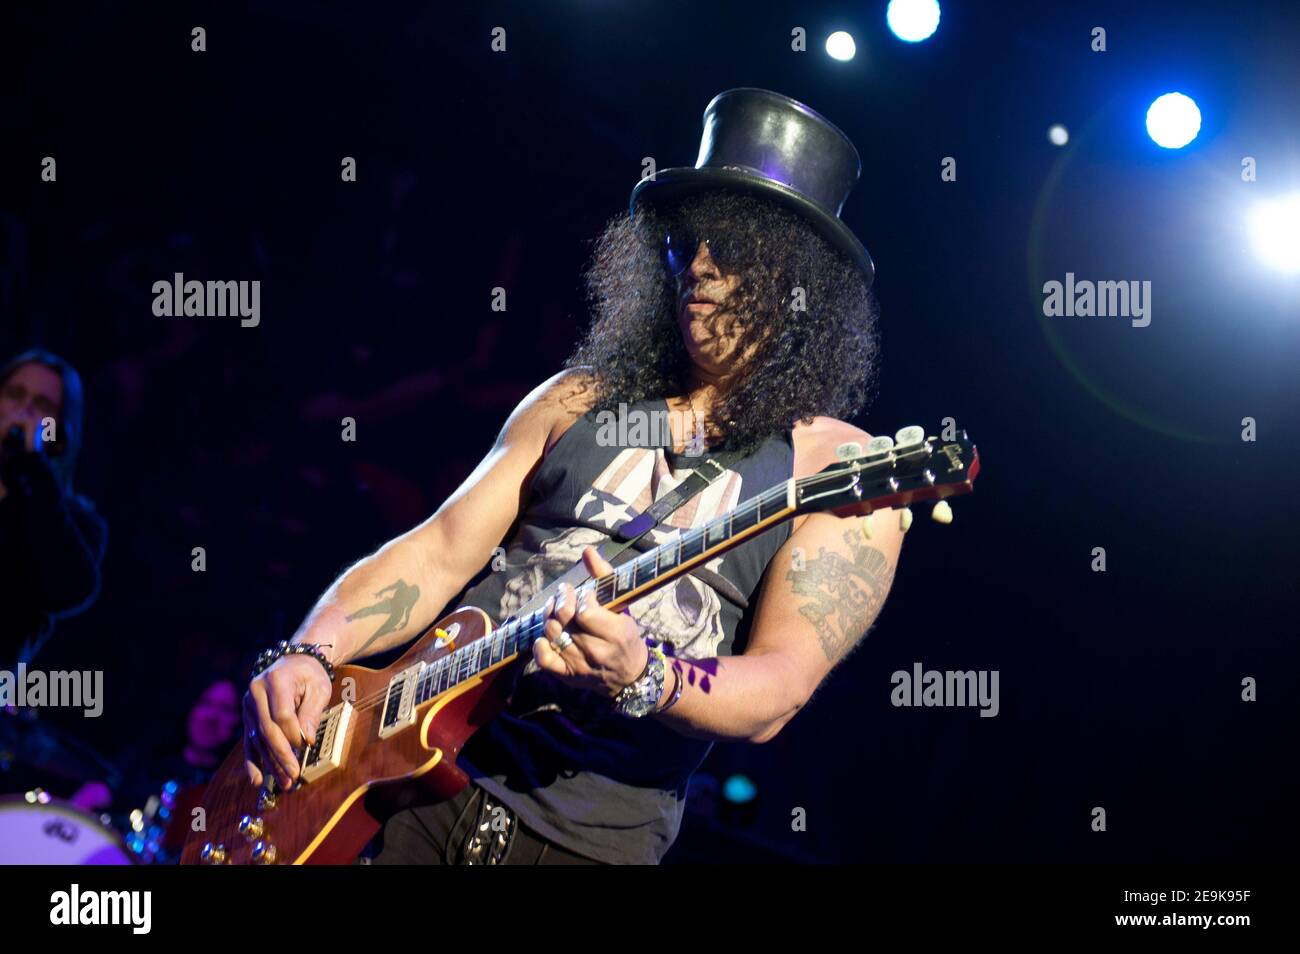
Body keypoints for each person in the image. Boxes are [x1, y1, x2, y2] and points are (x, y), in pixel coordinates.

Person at [243, 88, 906, 864]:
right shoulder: (575, 396)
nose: (698, 266)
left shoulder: (838, 468)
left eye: (732, 246)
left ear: (799, 281)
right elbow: (437, 551)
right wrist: (311, 651)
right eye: (686, 241)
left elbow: (780, 687)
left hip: (589, 843)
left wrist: (647, 676)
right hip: (412, 791)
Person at [0, 348, 106, 665]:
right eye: (14, 394)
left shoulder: (74, 522)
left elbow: (68, 589)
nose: (25, 409)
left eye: (43, 405)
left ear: (61, 432)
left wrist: (33, 463)